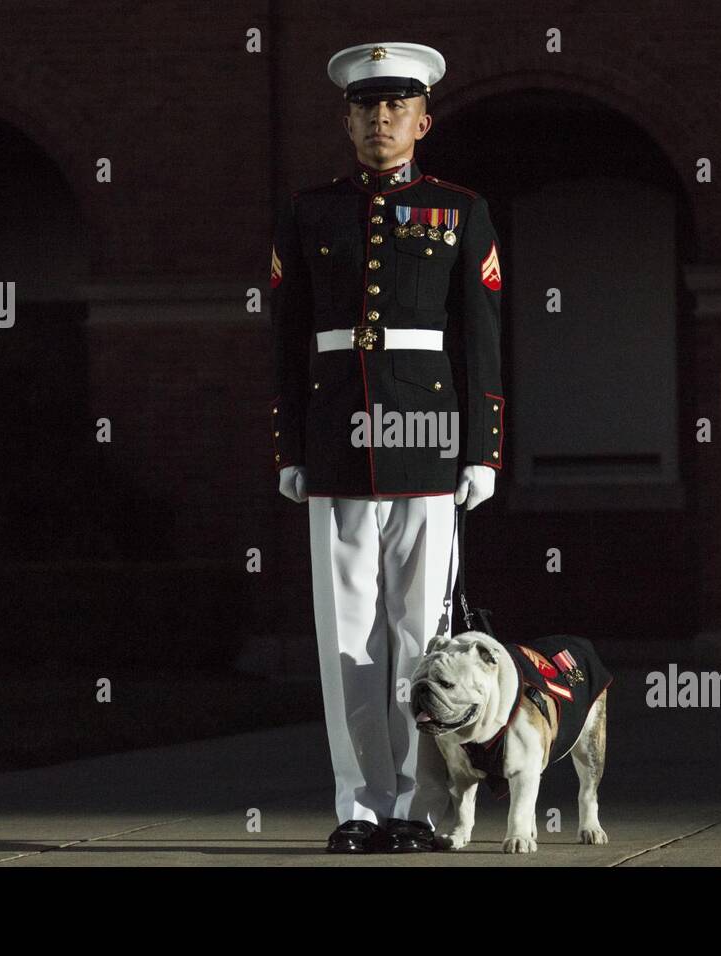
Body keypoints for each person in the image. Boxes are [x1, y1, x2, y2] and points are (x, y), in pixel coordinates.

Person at [267, 41, 506, 853]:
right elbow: (286, 337)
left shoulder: (460, 209)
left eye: (396, 107)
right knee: (345, 641)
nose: (380, 120)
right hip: (336, 444)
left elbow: (480, 340)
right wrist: (289, 446)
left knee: (421, 640)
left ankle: (419, 808)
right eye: (366, 108)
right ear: (348, 120)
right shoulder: (310, 211)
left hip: (428, 447)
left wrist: (483, 451)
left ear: (422, 120)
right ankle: (359, 808)